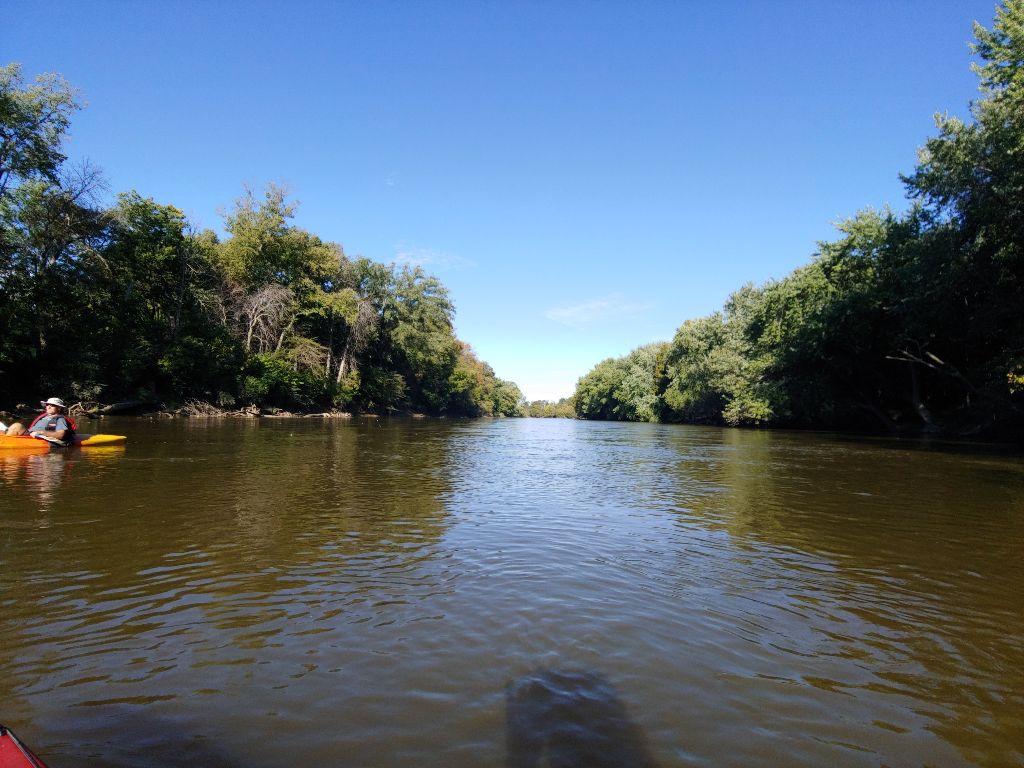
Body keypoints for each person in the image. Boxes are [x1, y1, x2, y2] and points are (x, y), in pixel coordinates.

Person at [6, 397, 76, 443]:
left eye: (52, 405)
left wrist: (41, 432)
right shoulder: (44, 416)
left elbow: (60, 435)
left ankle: (6, 443)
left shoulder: (60, 419)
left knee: (17, 426)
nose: (48, 407)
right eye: (47, 405)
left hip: (37, 437)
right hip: (30, 433)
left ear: (59, 408)